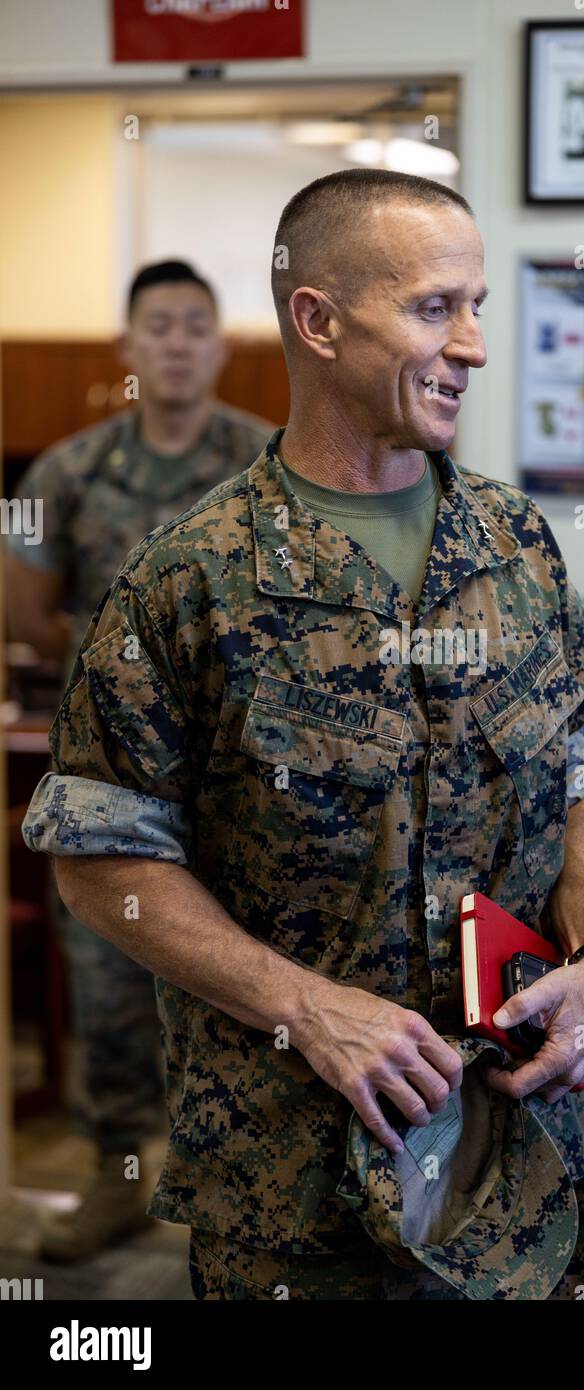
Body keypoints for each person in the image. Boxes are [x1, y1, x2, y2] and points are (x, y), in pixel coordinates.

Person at [22, 170, 584, 1300]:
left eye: (478, 306)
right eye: (432, 308)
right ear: (317, 319)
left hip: (522, 1163)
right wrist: (301, 1007)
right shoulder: (189, 580)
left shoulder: (517, 545)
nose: (473, 345)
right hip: (296, 1185)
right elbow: (98, 857)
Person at [6, 259, 273, 1260]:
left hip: (243, 786)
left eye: (194, 325)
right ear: (127, 345)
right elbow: (25, 610)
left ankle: (246, 1203)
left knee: (245, 989)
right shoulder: (68, 471)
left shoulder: (265, 465)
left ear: (218, 344)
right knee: (112, 991)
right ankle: (116, 1176)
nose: (174, 342)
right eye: (156, 325)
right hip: (113, 783)